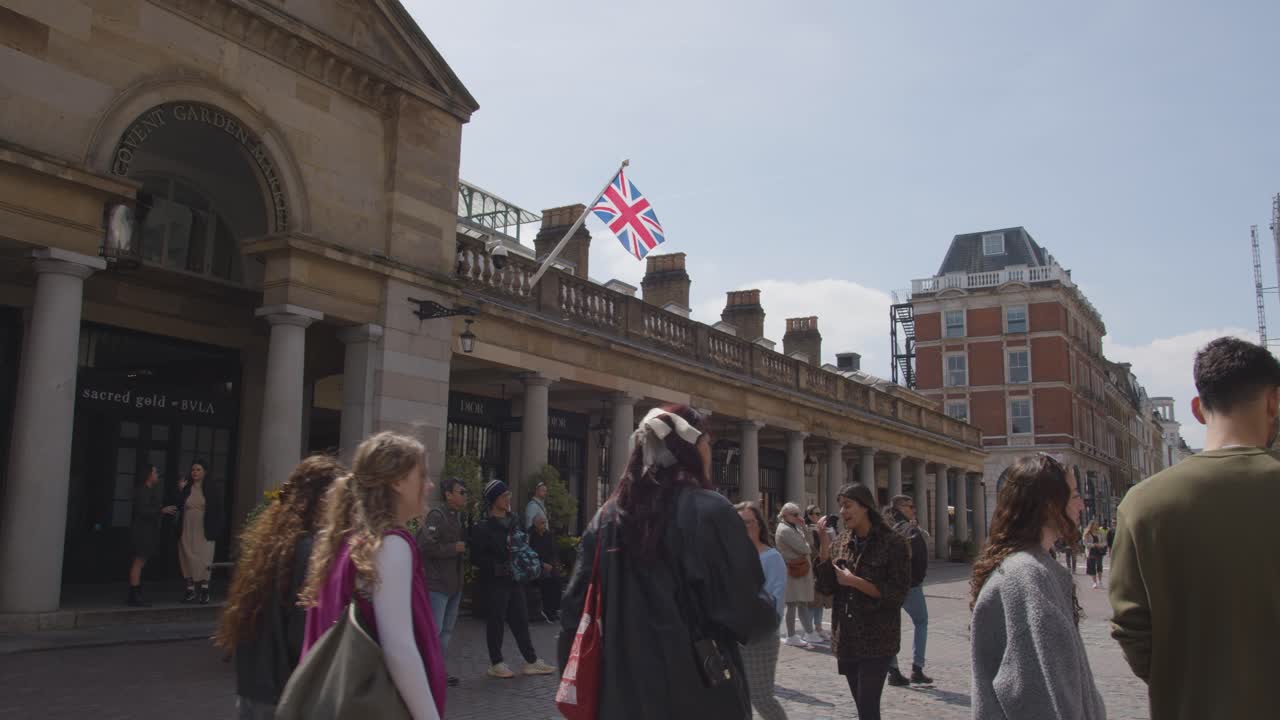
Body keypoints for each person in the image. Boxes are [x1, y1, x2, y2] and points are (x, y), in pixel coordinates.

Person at [557, 405, 778, 719]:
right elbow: (745, 614)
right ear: (690, 448)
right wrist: (767, 607)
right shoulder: (709, 510)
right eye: (707, 444)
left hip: (619, 698)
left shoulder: (606, 518)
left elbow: (573, 614)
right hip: (698, 694)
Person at [1110, 336, 1280, 720]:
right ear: (1274, 401)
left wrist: (1181, 679)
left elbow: (1131, 626)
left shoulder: (1142, 503)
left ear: (1198, 409)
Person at [299, 432, 447, 720]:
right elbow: (399, 647)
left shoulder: (346, 542)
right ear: (397, 481)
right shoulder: (391, 545)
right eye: (422, 475)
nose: (429, 486)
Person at [970, 454, 1105, 720]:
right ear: (1049, 505)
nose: (1081, 504)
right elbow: (1036, 693)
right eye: (1074, 494)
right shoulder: (1027, 576)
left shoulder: (1034, 567)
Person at [214, 455, 343, 719]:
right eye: (339, 497)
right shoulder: (307, 552)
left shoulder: (267, 545)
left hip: (253, 687)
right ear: (322, 499)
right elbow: (303, 631)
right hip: (285, 691)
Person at [812, 484, 910, 720]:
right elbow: (826, 587)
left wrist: (855, 582)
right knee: (863, 708)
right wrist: (824, 546)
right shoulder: (842, 541)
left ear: (865, 507)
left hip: (878, 639)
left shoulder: (892, 542)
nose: (843, 512)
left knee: (867, 707)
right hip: (847, 639)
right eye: (841, 506)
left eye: (848, 506)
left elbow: (897, 593)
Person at [470, 478, 556, 679]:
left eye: (508, 494)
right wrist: (496, 567)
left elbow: (521, 546)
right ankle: (496, 662)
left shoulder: (514, 520)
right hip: (495, 580)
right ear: (493, 500)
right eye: (503, 495)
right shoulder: (483, 528)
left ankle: (531, 661)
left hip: (515, 578)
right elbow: (476, 557)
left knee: (521, 619)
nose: (508, 498)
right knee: (496, 620)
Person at [736, 501, 788, 720]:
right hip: (731, 635)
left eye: (747, 523)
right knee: (736, 697)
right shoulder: (729, 556)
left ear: (758, 525)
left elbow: (774, 602)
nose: (742, 528)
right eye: (736, 523)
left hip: (759, 637)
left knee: (761, 697)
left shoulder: (771, 557)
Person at [416, 476, 468, 688]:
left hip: (454, 583)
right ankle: (425, 671)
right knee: (434, 630)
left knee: (446, 631)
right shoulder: (436, 516)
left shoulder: (457, 517)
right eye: (461, 492)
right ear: (448, 494)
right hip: (437, 584)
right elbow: (424, 546)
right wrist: (452, 549)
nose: (464, 495)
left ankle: (437, 669)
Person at [885, 494, 932, 687]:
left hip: (889, 586)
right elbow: (920, 560)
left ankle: (893, 670)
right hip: (910, 586)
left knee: (890, 627)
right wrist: (917, 581)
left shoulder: (885, 528)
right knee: (921, 622)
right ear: (902, 508)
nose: (914, 509)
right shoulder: (910, 530)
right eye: (911, 506)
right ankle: (917, 668)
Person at [126, 465, 177, 607]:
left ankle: (136, 593)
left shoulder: (149, 490)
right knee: (139, 562)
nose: (157, 474)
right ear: (148, 474)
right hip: (142, 531)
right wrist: (161, 510)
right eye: (155, 472)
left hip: (147, 530)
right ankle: (134, 595)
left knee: (141, 562)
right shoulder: (143, 491)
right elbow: (144, 511)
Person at [176, 459, 224, 604]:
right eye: (193, 470)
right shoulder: (186, 488)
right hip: (187, 526)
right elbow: (178, 506)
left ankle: (204, 589)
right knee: (187, 556)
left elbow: (218, 510)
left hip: (204, 528)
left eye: (198, 470)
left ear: (205, 472)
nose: (195, 472)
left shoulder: (211, 488)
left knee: (204, 557)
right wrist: (181, 490)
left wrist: (216, 528)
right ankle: (190, 590)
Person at [775, 502, 819, 647]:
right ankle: (792, 635)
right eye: (794, 514)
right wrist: (806, 543)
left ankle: (809, 632)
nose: (798, 517)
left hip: (799, 569)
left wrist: (804, 528)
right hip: (793, 570)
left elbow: (810, 543)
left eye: (798, 514)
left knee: (801, 602)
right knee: (793, 603)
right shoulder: (785, 530)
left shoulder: (794, 527)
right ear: (785, 514)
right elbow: (805, 549)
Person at [805, 505, 833, 643]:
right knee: (813, 601)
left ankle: (818, 627)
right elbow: (810, 548)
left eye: (819, 513)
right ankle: (808, 629)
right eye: (814, 513)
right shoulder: (807, 529)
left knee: (820, 600)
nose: (817, 515)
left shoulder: (823, 529)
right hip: (811, 569)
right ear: (809, 515)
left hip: (821, 569)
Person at [528, 513, 562, 623]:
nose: (544, 525)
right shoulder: (530, 535)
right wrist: (542, 564)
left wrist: (553, 565)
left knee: (557, 579)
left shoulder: (549, 535)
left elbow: (553, 552)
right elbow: (530, 554)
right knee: (547, 579)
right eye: (542, 523)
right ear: (535, 524)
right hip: (536, 566)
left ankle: (554, 609)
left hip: (549, 564)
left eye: (545, 522)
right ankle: (547, 611)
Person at [1083, 520, 1107, 589]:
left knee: (1099, 565)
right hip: (1091, 551)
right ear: (1092, 525)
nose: (1097, 526)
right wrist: (1093, 545)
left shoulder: (1100, 532)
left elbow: (1105, 542)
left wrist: (1100, 545)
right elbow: (1085, 543)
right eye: (1095, 524)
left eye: (1097, 524)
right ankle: (1094, 582)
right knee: (1092, 566)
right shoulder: (1087, 533)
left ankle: (1100, 581)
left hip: (1099, 551)